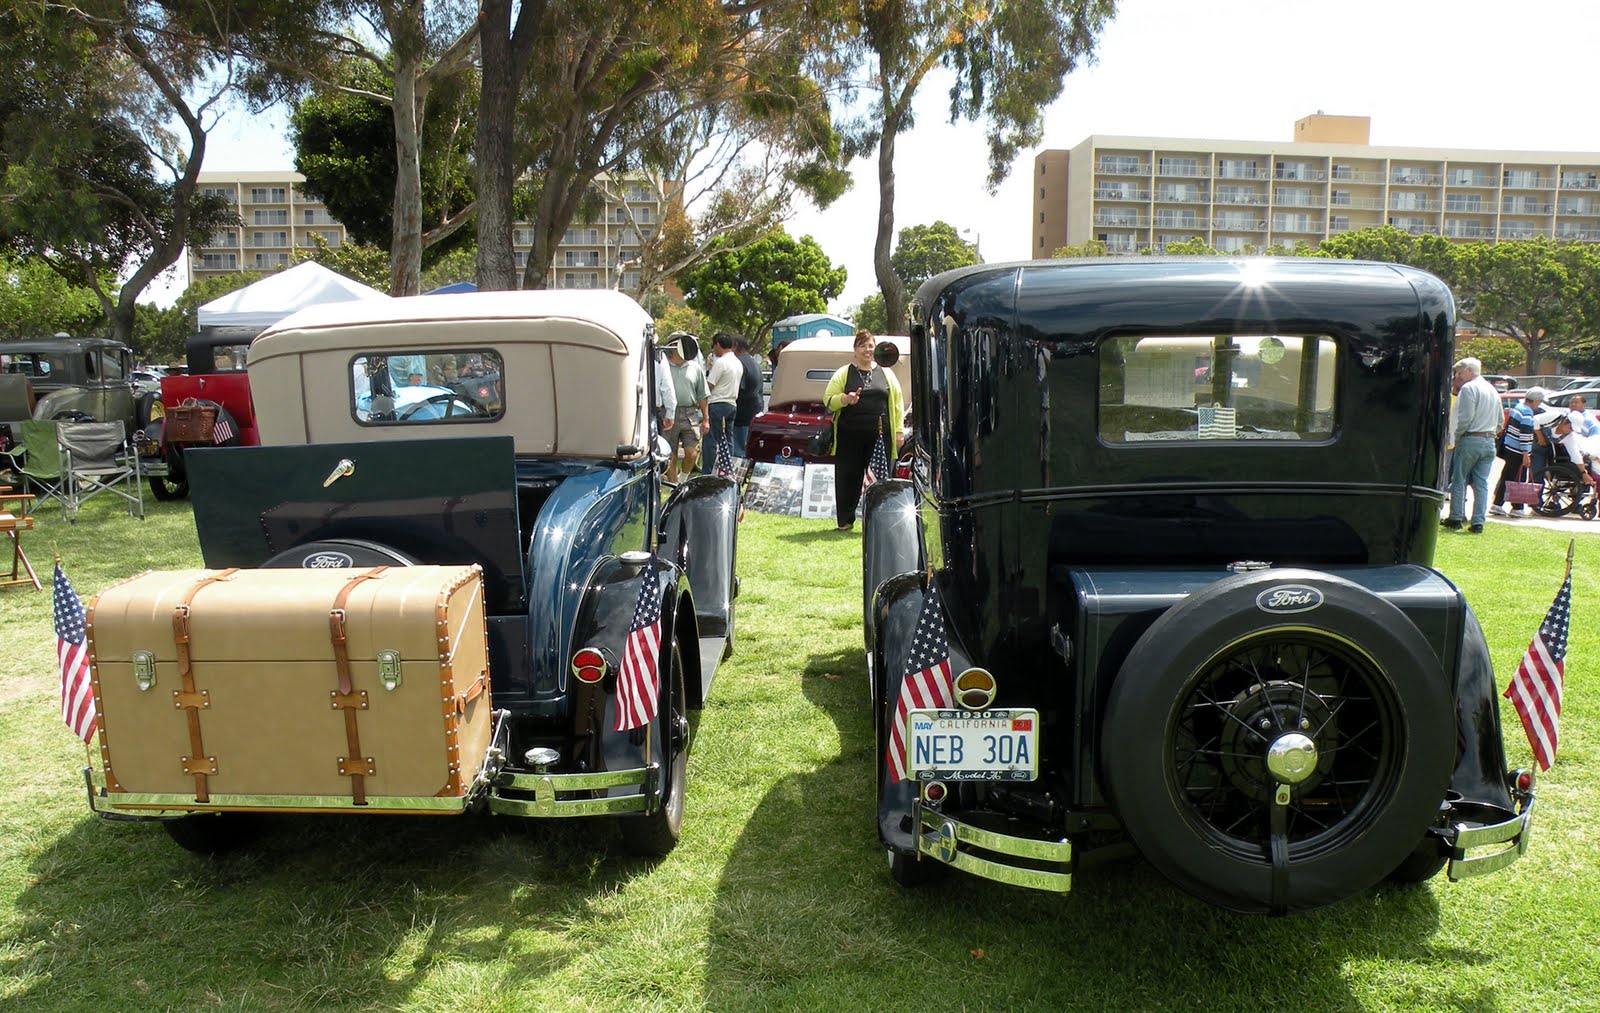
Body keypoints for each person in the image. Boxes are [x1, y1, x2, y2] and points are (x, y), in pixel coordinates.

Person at [822, 329, 904, 532]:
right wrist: (845, 399)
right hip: (849, 436)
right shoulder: (844, 372)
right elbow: (828, 400)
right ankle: (845, 521)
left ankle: (879, 520)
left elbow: (897, 404)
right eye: (863, 346)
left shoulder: (886, 372)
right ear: (855, 349)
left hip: (880, 437)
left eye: (870, 345)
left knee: (880, 478)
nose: (867, 350)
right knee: (848, 477)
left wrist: (898, 431)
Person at [1443, 357, 1502, 533]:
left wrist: (1457, 435)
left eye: (1460, 373)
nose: (1458, 376)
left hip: (1471, 438)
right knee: (1481, 483)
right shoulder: (1492, 390)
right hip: (1489, 439)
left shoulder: (1469, 388)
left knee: (1459, 479)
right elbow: (1500, 420)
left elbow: (1466, 418)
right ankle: (1478, 522)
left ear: (1469, 371)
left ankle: (1455, 517)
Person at [1490, 385, 1546, 517]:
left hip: (1509, 447)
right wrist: (1526, 454)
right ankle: (1517, 507)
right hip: (1518, 451)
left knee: (1507, 477)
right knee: (1518, 478)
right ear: (1537, 401)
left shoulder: (1518, 408)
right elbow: (1525, 435)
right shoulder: (1527, 413)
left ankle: (1498, 504)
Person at [662, 333, 708, 482]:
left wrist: (706, 418)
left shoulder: (695, 368)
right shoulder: (664, 367)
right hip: (668, 413)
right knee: (671, 454)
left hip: (690, 413)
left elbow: (702, 394)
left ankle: (682, 479)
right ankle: (674, 486)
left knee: (692, 453)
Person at [704, 332, 742, 468]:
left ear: (718, 345)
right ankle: (727, 468)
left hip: (718, 402)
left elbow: (709, 384)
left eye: (714, 346)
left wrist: (708, 369)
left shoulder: (721, 362)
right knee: (728, 439)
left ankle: (708, 471)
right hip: (732, 404)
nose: (713, 349)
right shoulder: (738, 362)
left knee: (711, 440)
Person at [732, 335, 763, 457]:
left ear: (735, 346)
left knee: (739, 451)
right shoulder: (753, 362)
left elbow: (738, 389)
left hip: (742, 412)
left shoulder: (740, 363)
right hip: (755, 409)